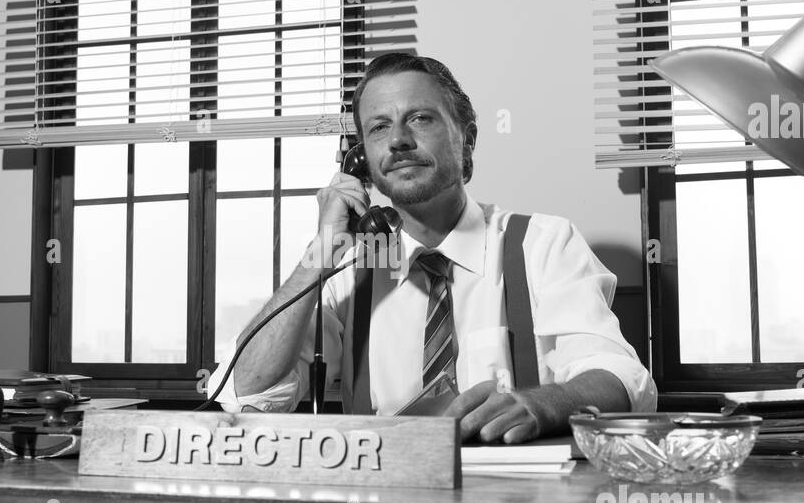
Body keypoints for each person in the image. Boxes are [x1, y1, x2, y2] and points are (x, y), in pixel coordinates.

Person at [206, 53, 656, 443]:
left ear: (468, 141)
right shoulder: (353, 263)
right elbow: (249, 394)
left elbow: (621, 377)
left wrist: (547, 403)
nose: (399, 139)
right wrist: (319, 254)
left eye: (420, 118)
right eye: (379, 127)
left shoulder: (542, 243)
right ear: (360, 158)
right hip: (383, 499)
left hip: (519, 498)